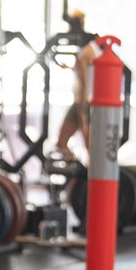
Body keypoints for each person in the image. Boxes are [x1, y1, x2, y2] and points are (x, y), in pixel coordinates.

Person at [54, 9, 100, 160]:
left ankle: (85, 178)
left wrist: (83, 111)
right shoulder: (89, 49)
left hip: (84, 102)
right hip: (82, 101)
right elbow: (84, 73)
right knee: (63, 143)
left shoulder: (86, 52)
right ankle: (78, 177)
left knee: (89, 146)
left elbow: (86, 81)